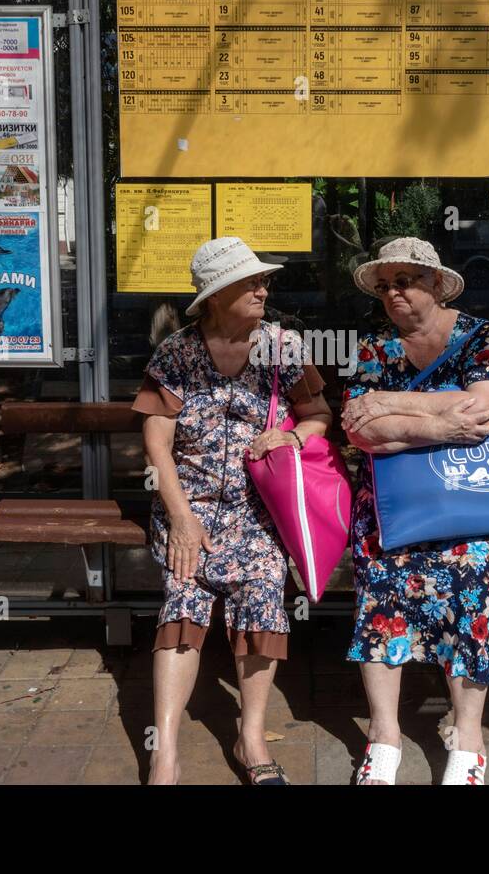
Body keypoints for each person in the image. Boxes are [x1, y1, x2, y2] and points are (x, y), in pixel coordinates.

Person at [132, 236, 331, 785]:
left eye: (262, 280)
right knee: (183, 592)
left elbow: (318, 415)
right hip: (187, 506)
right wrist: (180, 518)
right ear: (216, 296)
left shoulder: (281, 346)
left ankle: (250, 738)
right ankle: (164, 750)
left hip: (256, 509)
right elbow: (157, 444)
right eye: (250, 282)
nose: (263, 288)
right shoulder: (176, 353)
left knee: (263, 591)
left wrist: (290, 437)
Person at [340, 237, 489, 786]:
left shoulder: (480, 336)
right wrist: (444, 426)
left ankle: (468, 738)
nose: (394, 292)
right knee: (380, 594)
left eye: (406, 281)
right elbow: (358, 428)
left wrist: (392, 406)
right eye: (386, 284)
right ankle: (384, 736)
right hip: (395, 508)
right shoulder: (374, 343)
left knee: (475, 578)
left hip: (474, 508)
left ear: (437, 285)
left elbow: (487, 408)